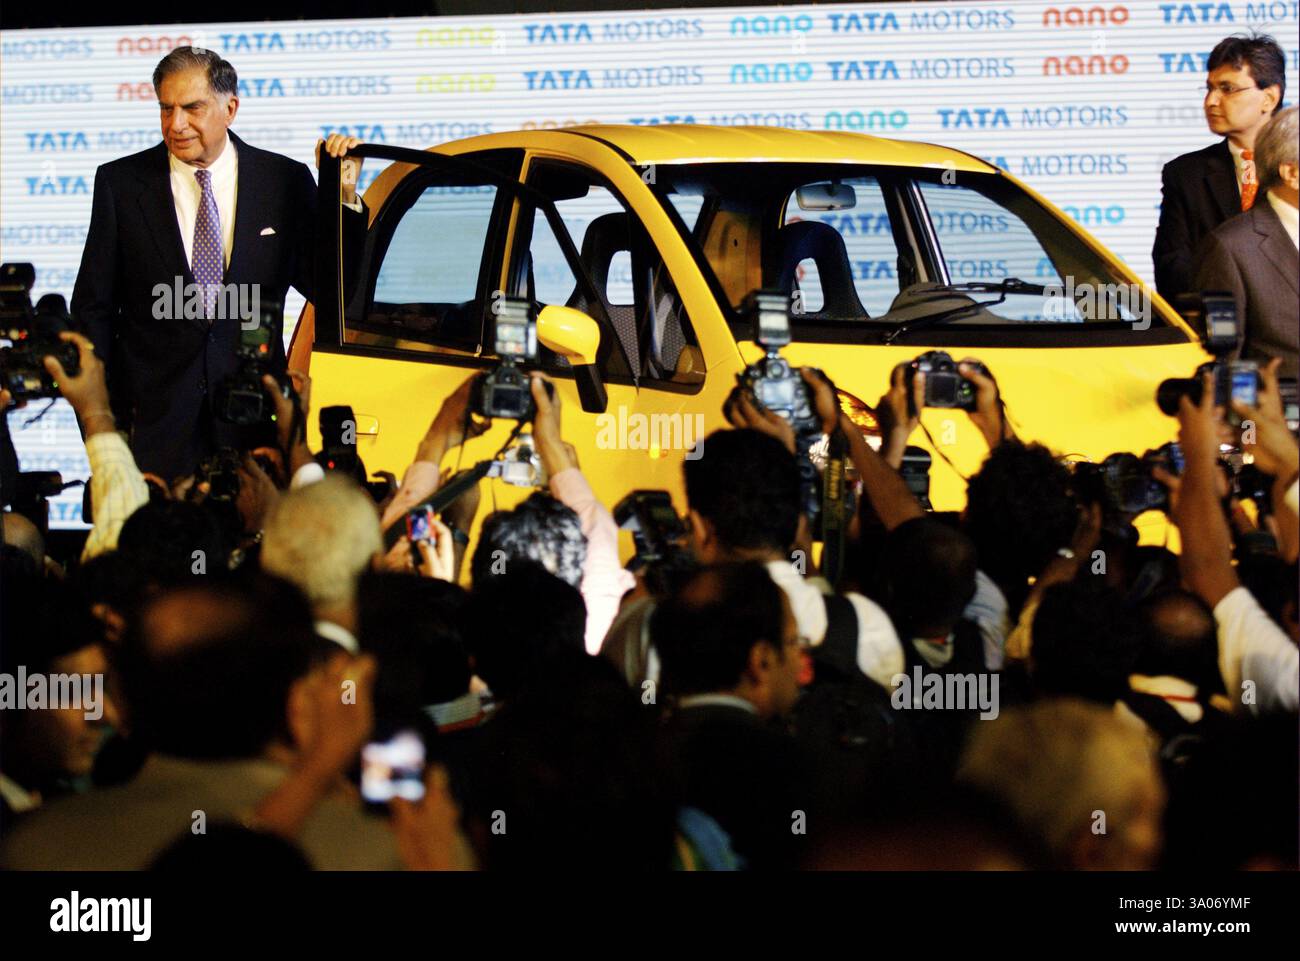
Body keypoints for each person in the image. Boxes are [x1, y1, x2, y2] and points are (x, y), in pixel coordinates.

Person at [70, 46, 366, 482]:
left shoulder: (283, 180)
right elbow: (92, 311)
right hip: (152, 438)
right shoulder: (120, 183)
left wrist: (341, 199)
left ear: (230, 108)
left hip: (255, 433)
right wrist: (104, 427)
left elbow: (331, 290)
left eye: (192, 108)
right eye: (166, 109)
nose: (176, 124)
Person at [651, 562, 811, 869]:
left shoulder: (631, 755)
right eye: (793, 642)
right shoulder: (786, 767)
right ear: (761, 660)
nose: (799, 659)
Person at [1152, 34, 1286, 302]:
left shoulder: (1293, 167)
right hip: (1218, 327)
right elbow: (1172, 271)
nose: (1211, 101)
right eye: (1209, 88)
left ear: (1268, 98)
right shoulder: (1185, 174)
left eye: (1227, 89)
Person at [1192, 106, 1299, 378]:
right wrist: (1249, 424)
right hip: (1275, 417)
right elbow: (1224, 366)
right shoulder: (1231, 248)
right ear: (1292, 174)